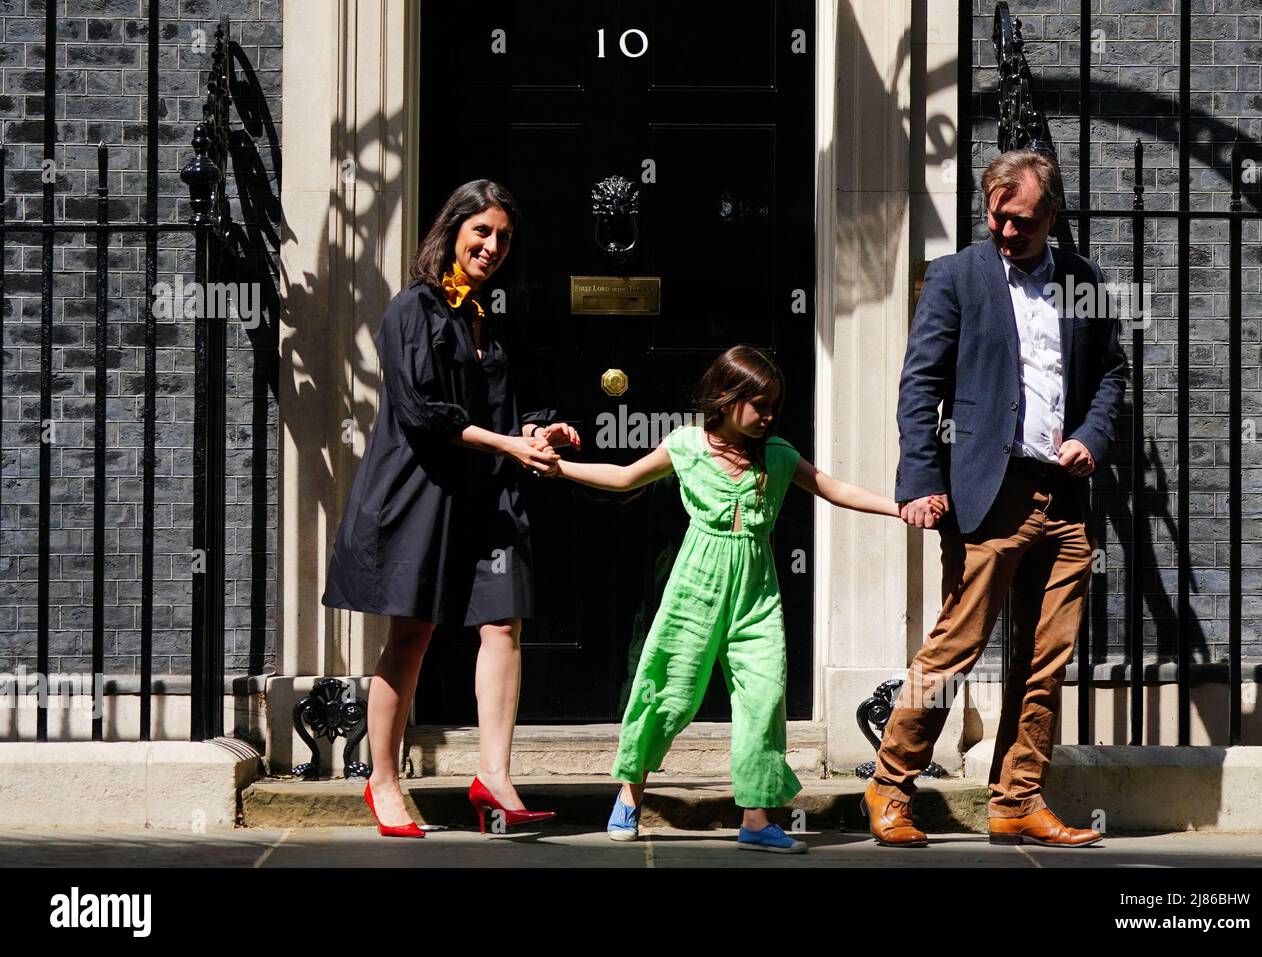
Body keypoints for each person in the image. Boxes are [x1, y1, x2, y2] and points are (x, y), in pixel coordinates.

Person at [552, 345, 944, 852]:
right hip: (695, 586)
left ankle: (757, 819)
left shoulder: (777, 455)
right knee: (668, 691)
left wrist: (901, 508)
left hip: (756, 592)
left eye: (774, 405)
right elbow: (625, 476)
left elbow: (833, 488)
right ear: (726, 398)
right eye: (758, 404)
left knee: (763, 699)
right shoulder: (687, 445)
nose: (768, 415)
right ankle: (630, 791)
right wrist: (560, 470)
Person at [868, 148, 1128, 848]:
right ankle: (891, 782)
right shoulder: (956, 276)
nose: (1005, 231)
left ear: (1051, 214)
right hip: (992, 489)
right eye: (995, 216)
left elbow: (1111, 373)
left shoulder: (1085, 280)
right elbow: (919, 385)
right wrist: (920, 479)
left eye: (1020, 220)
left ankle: (1016, 797)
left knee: (1046, 658)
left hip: (1065, 497)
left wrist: (1091, 436)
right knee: (952, 650)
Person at [321, 180, 579, 837]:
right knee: (410, 635)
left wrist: (541, 432)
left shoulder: (489, 316)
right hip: (421, 493)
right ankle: (381, 780)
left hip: (487, 495)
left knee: (502, 626)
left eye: (504, 237)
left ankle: (493, 776)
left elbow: (514, 404)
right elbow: (422, 412)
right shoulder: (415, 309)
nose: (492, 246)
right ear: (454, 229)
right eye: (482, 232)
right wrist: (505, 444)